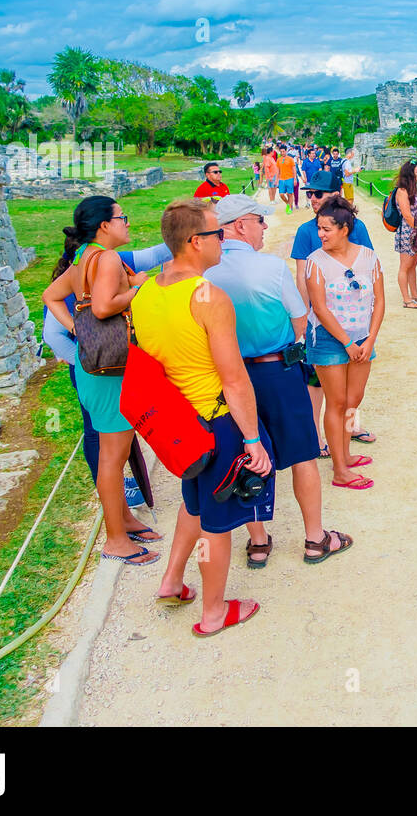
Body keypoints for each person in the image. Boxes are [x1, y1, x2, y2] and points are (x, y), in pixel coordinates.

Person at [132, 198, 274, 635]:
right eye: (218, 233)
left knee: (192, 505)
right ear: (196, 242)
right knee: (218, 524)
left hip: (179, 424)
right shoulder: (209, 297)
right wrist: (252, 439)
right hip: (217, 422)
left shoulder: (147, 292)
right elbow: (234, 380)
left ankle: (172, 580)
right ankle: (214, 611)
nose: (224, 238)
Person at [205, 194, 354, 566]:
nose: (264, 226)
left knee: (247, 454)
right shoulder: (270, 266)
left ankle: (257, 541)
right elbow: (299, 317)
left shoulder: (206, 273)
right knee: (303, 453)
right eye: (259, 220)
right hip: (278, 370)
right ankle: (315, 539)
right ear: (240, 225)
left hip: (230, 375)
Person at [42, 196, 164, 566]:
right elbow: (103, 307)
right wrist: (138, 288)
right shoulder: (108, 259)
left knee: (118, 450)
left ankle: (123, 519)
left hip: (93, 366)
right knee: (112, 457)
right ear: (104, 225)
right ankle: (115, 541)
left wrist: (76, 331)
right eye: (121, 217)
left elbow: (51, 295)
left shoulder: (83, 257)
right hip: (109, 370)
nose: (126, 222)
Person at [42, 235, 172, 506]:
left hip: (101, 365)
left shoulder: (90, 267)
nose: (125, 224)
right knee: (104, 442)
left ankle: (115, 495)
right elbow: (52, 335)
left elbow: (155, 253)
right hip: (99, 368)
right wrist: (83, 361)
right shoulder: (104, 266)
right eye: (119, 218)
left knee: (109, 440)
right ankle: (114, 498)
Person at [291, 174, 378, 451]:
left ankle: (349, 428)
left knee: (351, 391)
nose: (313, 199)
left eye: (318, 193)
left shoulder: (357, 227)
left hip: (355, 321)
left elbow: (367, 266)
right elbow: (302, 276)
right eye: (310, 194)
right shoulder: (307, 231)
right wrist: (304, 318)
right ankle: (316, 436)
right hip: (324, 324)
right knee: (319, 384)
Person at [304, 196, 385, 489]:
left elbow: (379, 301)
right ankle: (339, 469)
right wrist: (347, 343)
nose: (321, 234)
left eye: (327, 229)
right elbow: (320, 308)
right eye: (319, 228)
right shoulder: (315, 262)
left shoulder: (368, 257)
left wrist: (370, 338)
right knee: (336, 403)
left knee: (354, 400)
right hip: (329, 340)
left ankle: (347, 454)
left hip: (363, 336)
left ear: (345, 228)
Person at [392, 161, 417, 309]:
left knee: (413, 265)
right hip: (408, 232)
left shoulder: (413, 190)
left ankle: (415, 294)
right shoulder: (402, 191)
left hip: (415, 231)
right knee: (405, 266)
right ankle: (406, 299)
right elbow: (407, 215)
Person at [278, 145, 298, 210]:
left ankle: (290, 207)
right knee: (281, 194)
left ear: (286, 151)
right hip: (281, 179)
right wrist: (277, 180)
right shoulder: (278, 160)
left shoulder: (290, 159)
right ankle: (287, 203)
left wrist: (295, 179)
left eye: (283, 151)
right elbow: (278, 170)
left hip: (290, 178)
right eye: (281, 151)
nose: (282, 153)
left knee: (290, 194)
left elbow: (294, 169)